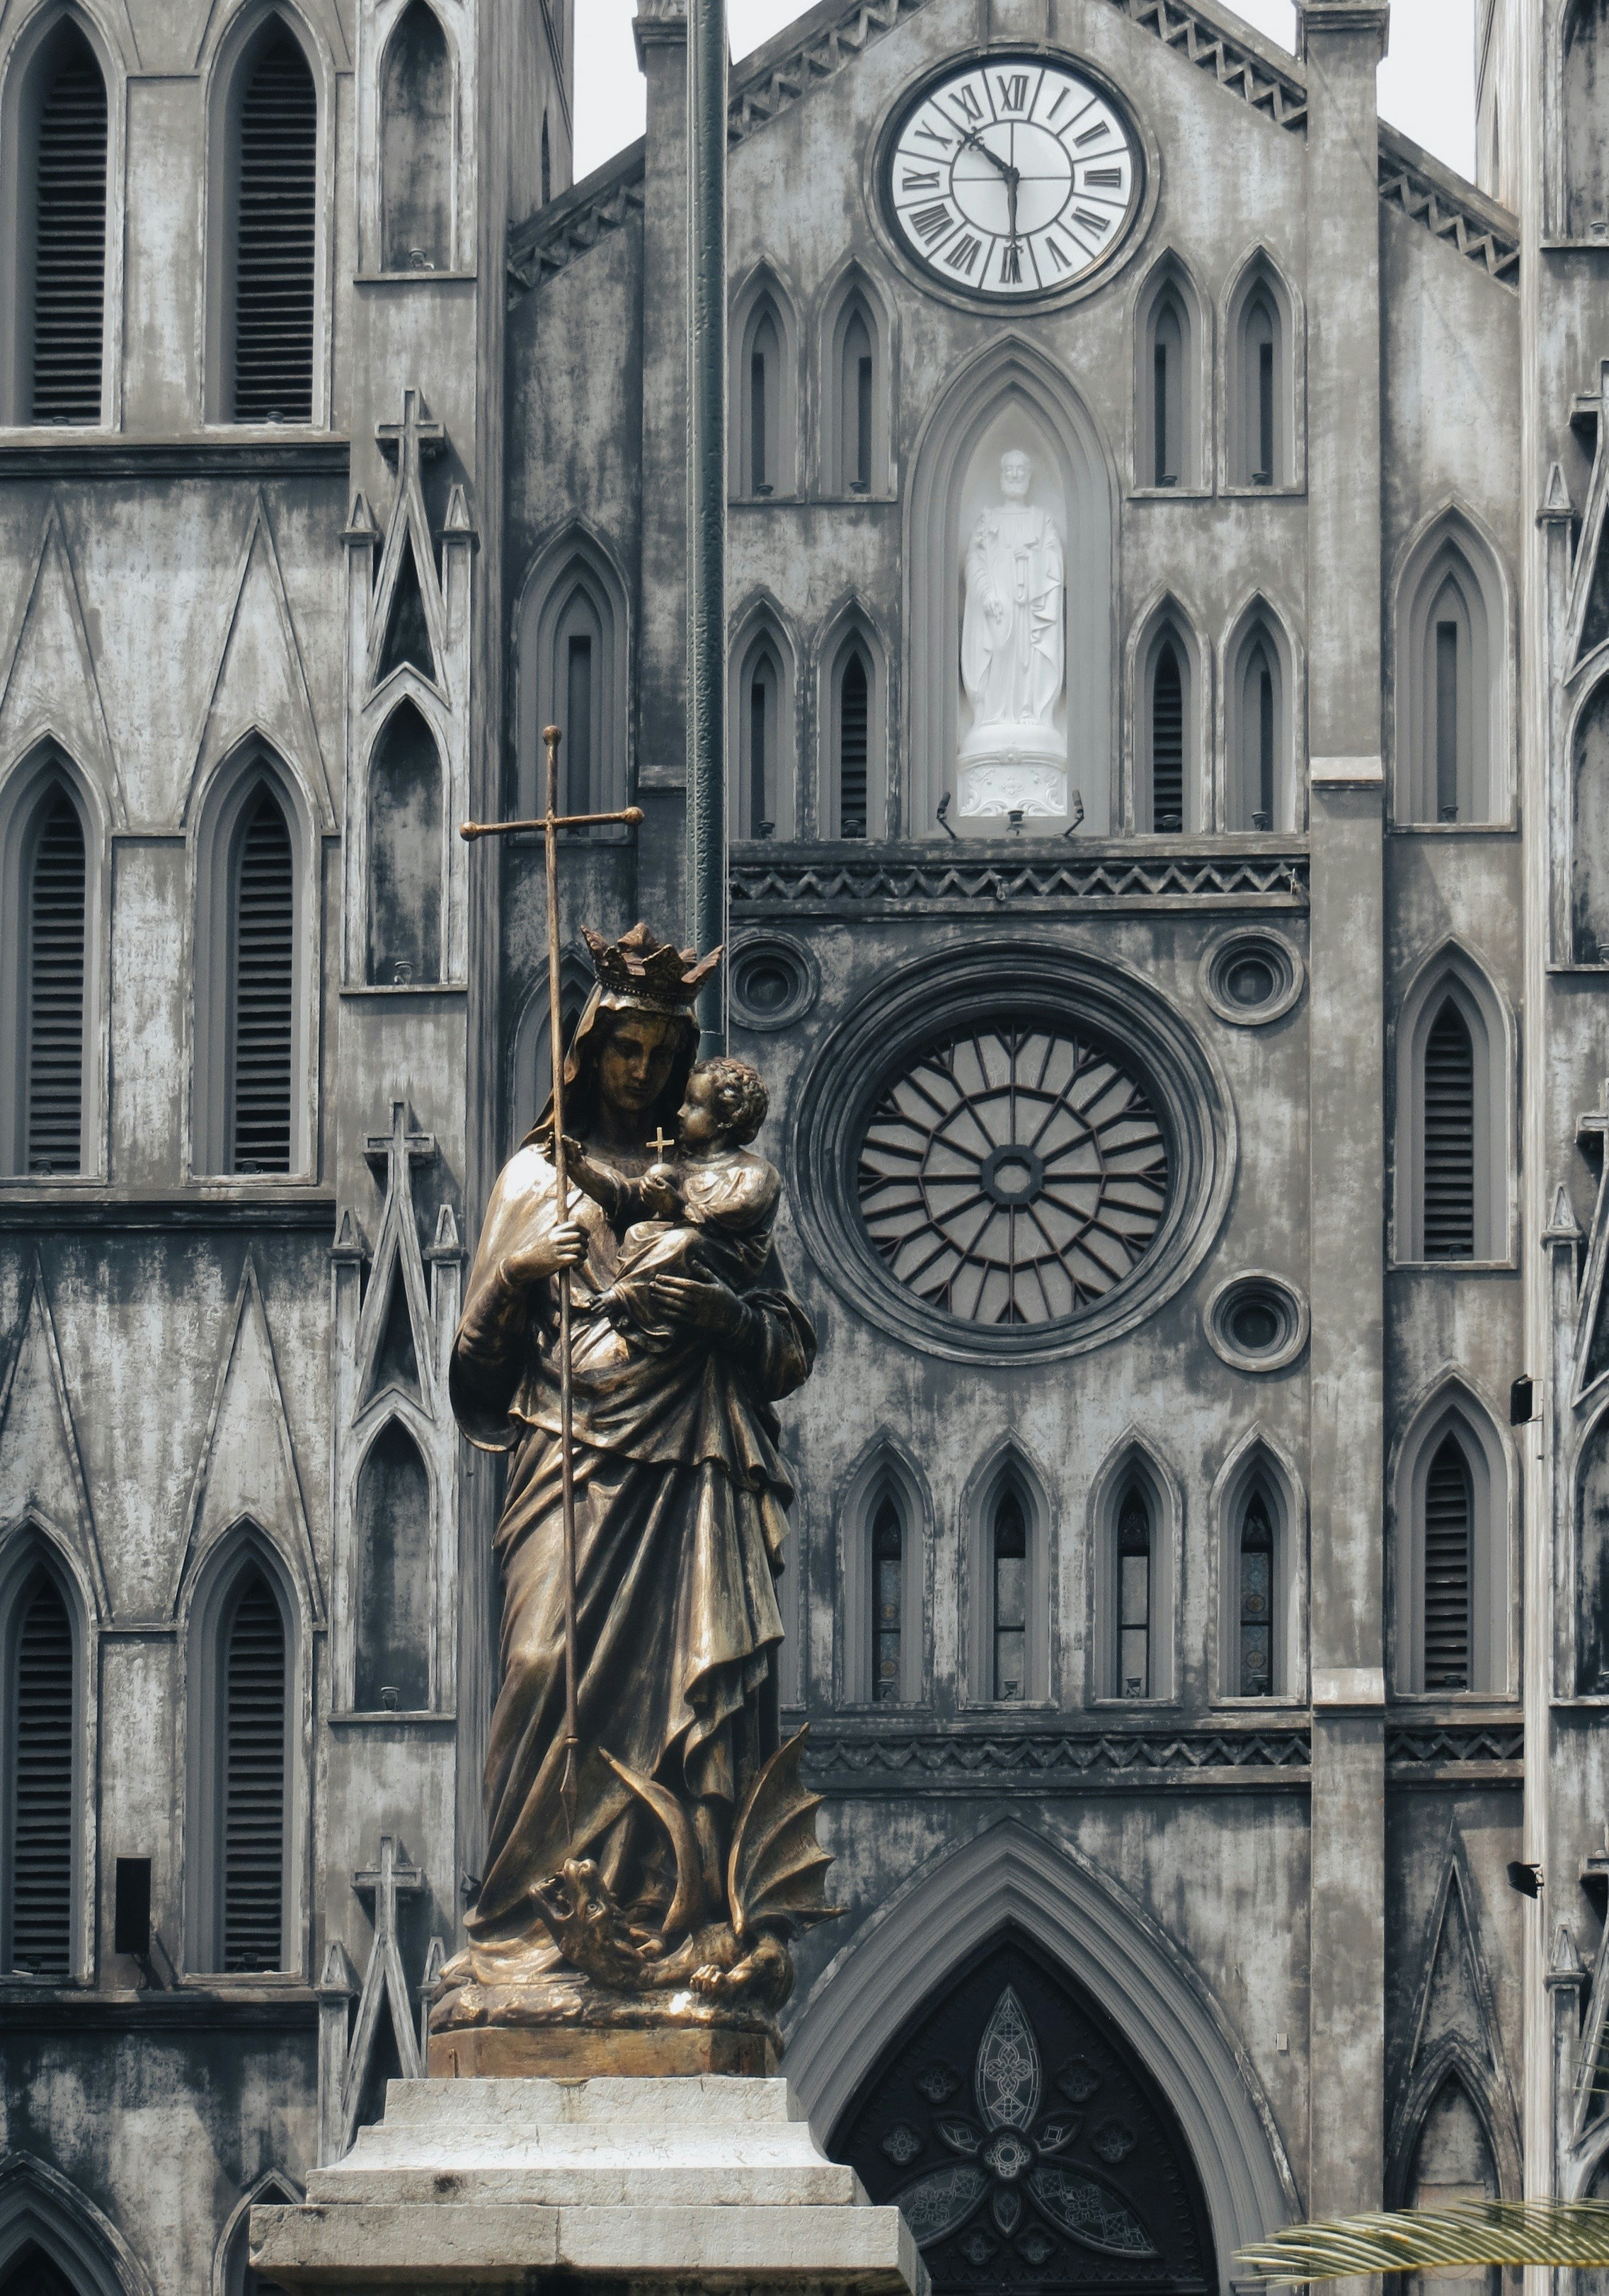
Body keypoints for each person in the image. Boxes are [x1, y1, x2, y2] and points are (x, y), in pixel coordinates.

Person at [442, 926, 815, 1994]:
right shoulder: (533, 1179)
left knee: (684, 1714)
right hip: (564, 1455)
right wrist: (515, 1274)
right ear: (586, 1049)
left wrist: (726, 1319)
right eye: (623, 1049)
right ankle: (519, 1932)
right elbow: (473, 1387)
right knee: (540, 1665)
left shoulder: (711, 1187)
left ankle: (668, 1928)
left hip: (688, 1462)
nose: (640, 1072)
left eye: (660, 1052)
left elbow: (788, 1345)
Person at [563, 1055, 779, 1353]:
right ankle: (637, 1300)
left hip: (725, 1258)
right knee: (638, 1234)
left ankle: (623, 1294)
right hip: (677, 1262)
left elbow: (738, 1212)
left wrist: (679, 1208)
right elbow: (627, 1194)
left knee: (684, 1240)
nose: (679, 1112)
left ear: (727, 1118)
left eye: (694, 1104)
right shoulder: (680, 1165)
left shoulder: (754, 1172)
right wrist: (580, 1170)